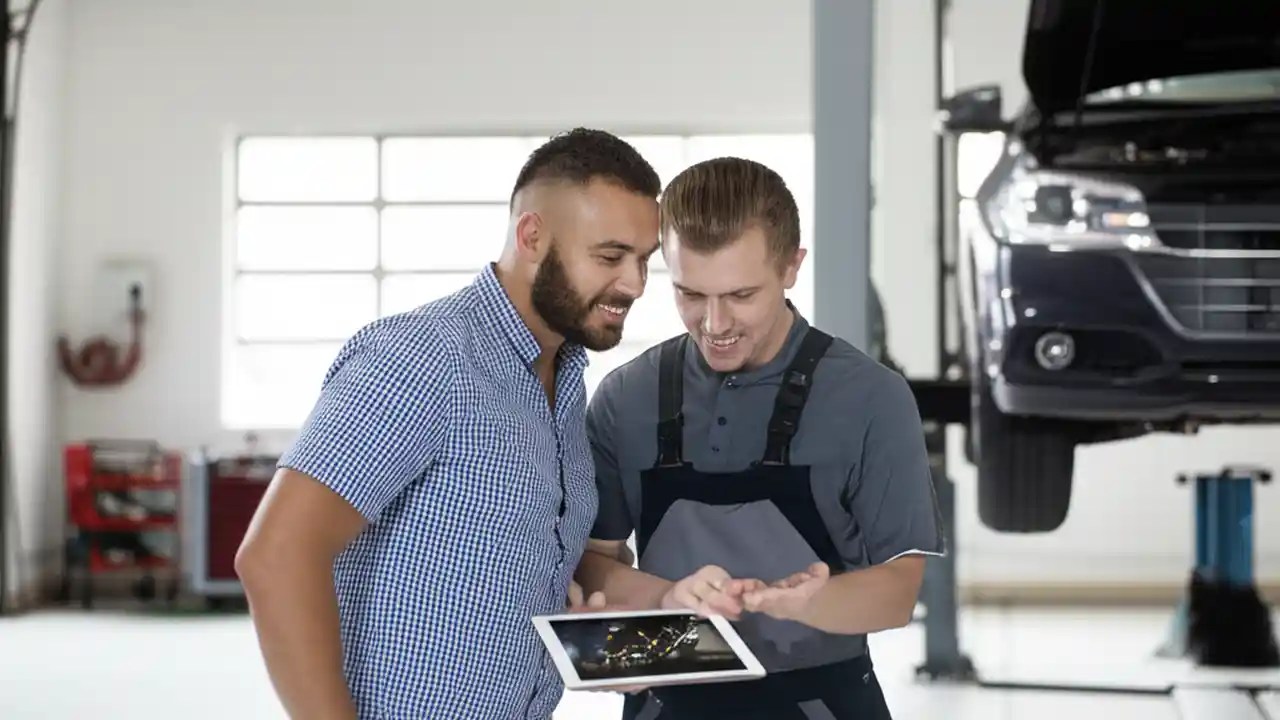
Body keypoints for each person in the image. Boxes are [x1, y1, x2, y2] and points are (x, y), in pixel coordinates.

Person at [234, 128, 662, 720]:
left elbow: (507, 578)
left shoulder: (564, 381)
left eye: (644, 261)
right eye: (610, 257)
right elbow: (277, 555)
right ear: (532, 236)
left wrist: (618, 644)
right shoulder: (423, 357)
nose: (635, 284)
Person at [574, 157, 945, 719]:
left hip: (822, 703)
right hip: (665, 704)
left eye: (741, 295)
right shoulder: (626, 396)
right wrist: (663, 605)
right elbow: (590, 563)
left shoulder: (872, 397)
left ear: (792, 266)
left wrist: (813, 602)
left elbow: (898, 591)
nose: (715, 324)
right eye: (690, 295)